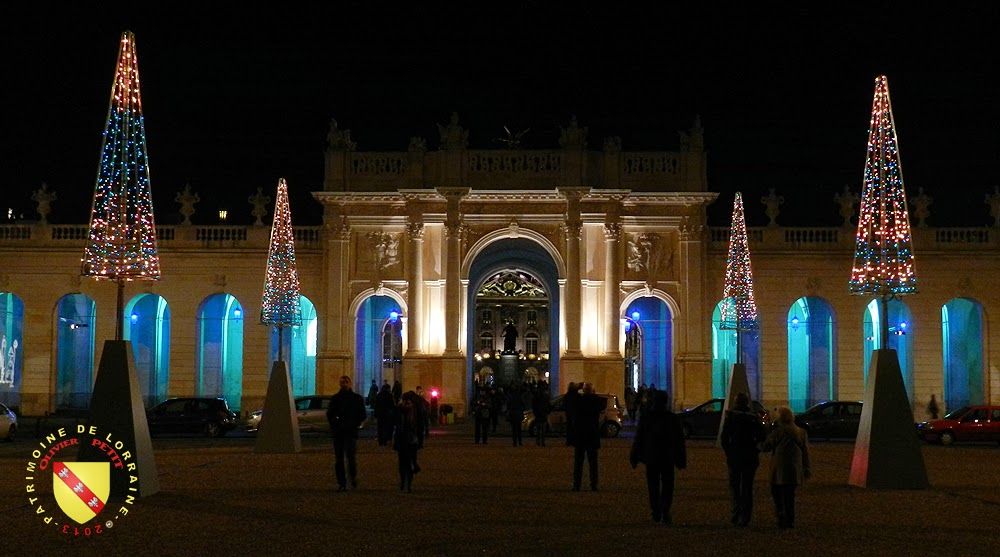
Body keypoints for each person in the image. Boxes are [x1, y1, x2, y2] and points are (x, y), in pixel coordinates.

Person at [630, 390, 686, 524]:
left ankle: (655, 511)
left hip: (652, 457)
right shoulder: (672, 418)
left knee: (653, 486)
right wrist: (681, 459)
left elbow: (639, 437)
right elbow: (679, 441)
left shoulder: (646, 416)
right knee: (668, 486)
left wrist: (634, 455)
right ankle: (665, 511)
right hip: (667, 457)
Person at [720, 392, 767, 527]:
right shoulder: (753, 418)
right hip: (750, 457)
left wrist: (729, 452)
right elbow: (763, 436)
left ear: (736, 402)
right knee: (747, 487)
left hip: (735, 456)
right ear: (747, 403)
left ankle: (736, 514)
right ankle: (746, 517)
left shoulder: (732, 417)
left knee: (735, 486)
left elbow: (724, 438)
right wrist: (756, 449)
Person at [759, 406, 810, 528]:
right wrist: (807, 467)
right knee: (790, 495)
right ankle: (790, 519)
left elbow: (766, 447)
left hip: (779, 469)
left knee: (777, 493)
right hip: (794, 469)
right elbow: (805, 452)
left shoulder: (777, 432)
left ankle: (781, 516)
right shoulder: (802, 432)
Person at [327, 375, 368, 492]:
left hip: (350, 432)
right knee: (339, 459)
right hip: (339, 432)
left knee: (350, 458)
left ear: (350, 383)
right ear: (340, 384)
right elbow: (329, 414)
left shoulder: (357, 398)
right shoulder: (335, 398)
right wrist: (335, 424)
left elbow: (363, 415)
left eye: (346, 381)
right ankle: (342, 482)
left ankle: (352, 479)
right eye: (342, 382)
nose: (344, 383)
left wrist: (354, 423)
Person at [568, 382, 603, 491]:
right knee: (593, 463)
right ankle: (594, 484)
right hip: (592, 435)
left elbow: (570, 397)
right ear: (593, 391)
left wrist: (576, 388)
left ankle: (576, 484)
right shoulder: (596, 401)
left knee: (578, 462)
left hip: (580, 435)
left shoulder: (579, 400)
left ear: (583, 390)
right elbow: (601, 403)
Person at [393, 391, 428, 493]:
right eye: (405, 402)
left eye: (408, 402)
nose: (406, 404)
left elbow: (420, 426)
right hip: (402, 440)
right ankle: (403, 481)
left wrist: (420, 440)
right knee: (402, 463)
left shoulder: (416, 411)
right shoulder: (399, 410)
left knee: (409, 463)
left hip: (412, 440)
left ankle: (408, 484)